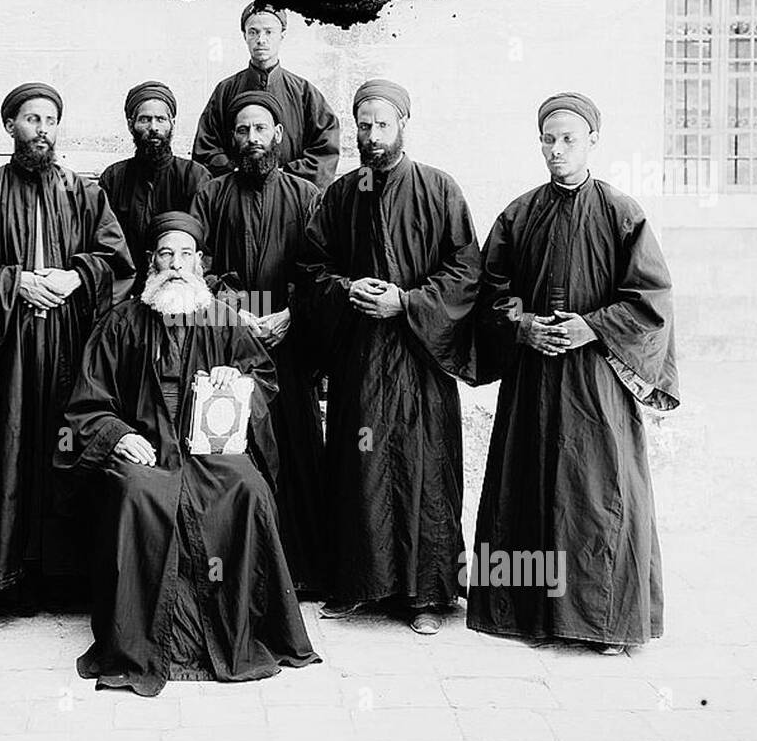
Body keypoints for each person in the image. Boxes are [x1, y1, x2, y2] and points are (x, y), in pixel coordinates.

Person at [57, 212, 320, 696]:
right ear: (150, 262)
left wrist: (236, 383)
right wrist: (115, 434)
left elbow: (263, 380)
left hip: (207, 451)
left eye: (185, 255)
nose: (175, 265)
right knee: (137, 491)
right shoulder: (120, 322)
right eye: (166, 254)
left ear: (199, 263)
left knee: (248, 488)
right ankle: (141, 643)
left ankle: (237, 632)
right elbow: (87, 403)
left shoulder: (222, 316)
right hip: (147, 446)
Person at [467, 92, 679, 654]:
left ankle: (605, 623)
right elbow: (490, 294)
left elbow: (650, 299)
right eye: (548, 138)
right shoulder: (518, 215)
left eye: (568, 139)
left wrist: (591, 326)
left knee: (598, 490)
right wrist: (524, 326)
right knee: (530, 485)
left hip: (596, 381)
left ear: (591, 143)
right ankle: (530, 615)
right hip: (533, 380)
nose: (556, 149)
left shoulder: (621, 213)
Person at [297, 80, 481, 634]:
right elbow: (311, 268)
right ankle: (359, 586)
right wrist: (345, 290)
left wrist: (406, 301)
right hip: (361, 357)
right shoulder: (339, 194)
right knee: (360, 469)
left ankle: (427, 595)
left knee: (426, 473)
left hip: (419, 359)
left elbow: (466, 270)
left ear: (403, 124)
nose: (372, 136)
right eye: (364, 125)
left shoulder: (438, 188)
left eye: (383, 124)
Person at [0, 82, 134, 605]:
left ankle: (69, 577)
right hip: (11, 348)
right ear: (10, 126)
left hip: (70, 343)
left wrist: (77, 278)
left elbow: (116, 261)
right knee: (14, 446)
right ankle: (11, 580)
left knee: (69, 442)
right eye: (31, 120)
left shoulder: (83, 192)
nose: (42, 130)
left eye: (50, 120)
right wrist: (18, 283)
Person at [191, 89, 329, 593]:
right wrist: (235, 313)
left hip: (289, 346)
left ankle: (301, 573)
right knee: (232, 449)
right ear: (233, 137)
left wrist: (292, 312)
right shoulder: (211, 194)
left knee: (294, 451)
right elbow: (196, 262)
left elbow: (319, 268)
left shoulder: (307, 196)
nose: (252, 139)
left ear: (278, 135)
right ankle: (234, 570)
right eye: (243, 131)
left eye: (260, 129)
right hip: (229, 347)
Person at [191, 0, 339, 189]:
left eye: (269, 32)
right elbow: (206, 148)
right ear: (245, 36)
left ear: (282, 35)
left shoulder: (304, 93)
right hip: (236, 196)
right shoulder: (225, 91)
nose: (261, 39)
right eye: (253, 32)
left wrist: (285, 176)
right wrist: (234, 174)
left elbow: (325, 149)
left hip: (290, 196)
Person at [99, 81, 211, 293]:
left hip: (180, 291)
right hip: (127, 292)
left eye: (161, 119)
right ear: (131, 124)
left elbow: (204, 247)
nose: (154, 128)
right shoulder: (114, 178)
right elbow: (105, 244)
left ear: (172, 124)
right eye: (145, 120)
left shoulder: (195, 176)